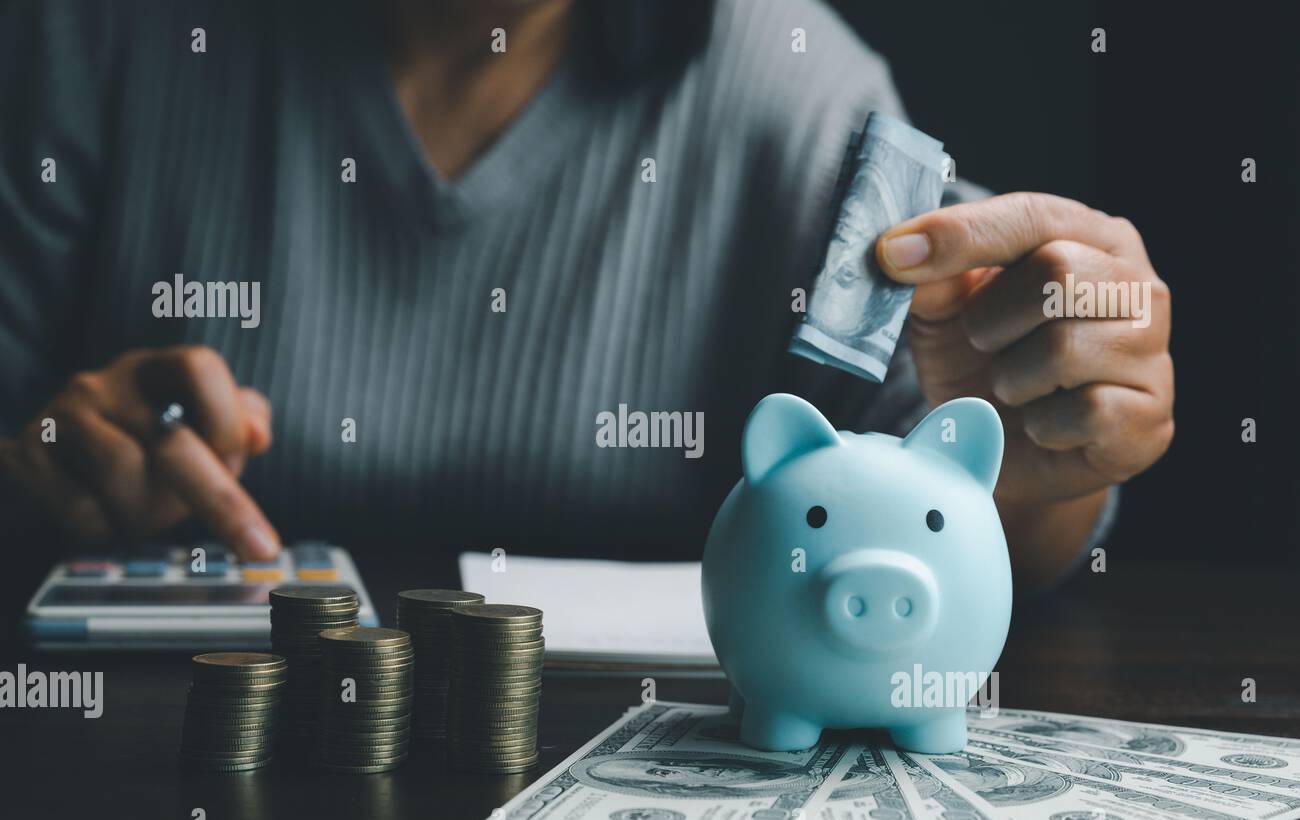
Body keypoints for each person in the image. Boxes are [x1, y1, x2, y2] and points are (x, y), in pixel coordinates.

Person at [0, 0, 1173, 593]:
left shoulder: (792, 90)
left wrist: (1024, 466)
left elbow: (964, 518)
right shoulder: (90, 40)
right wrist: (49, 456)